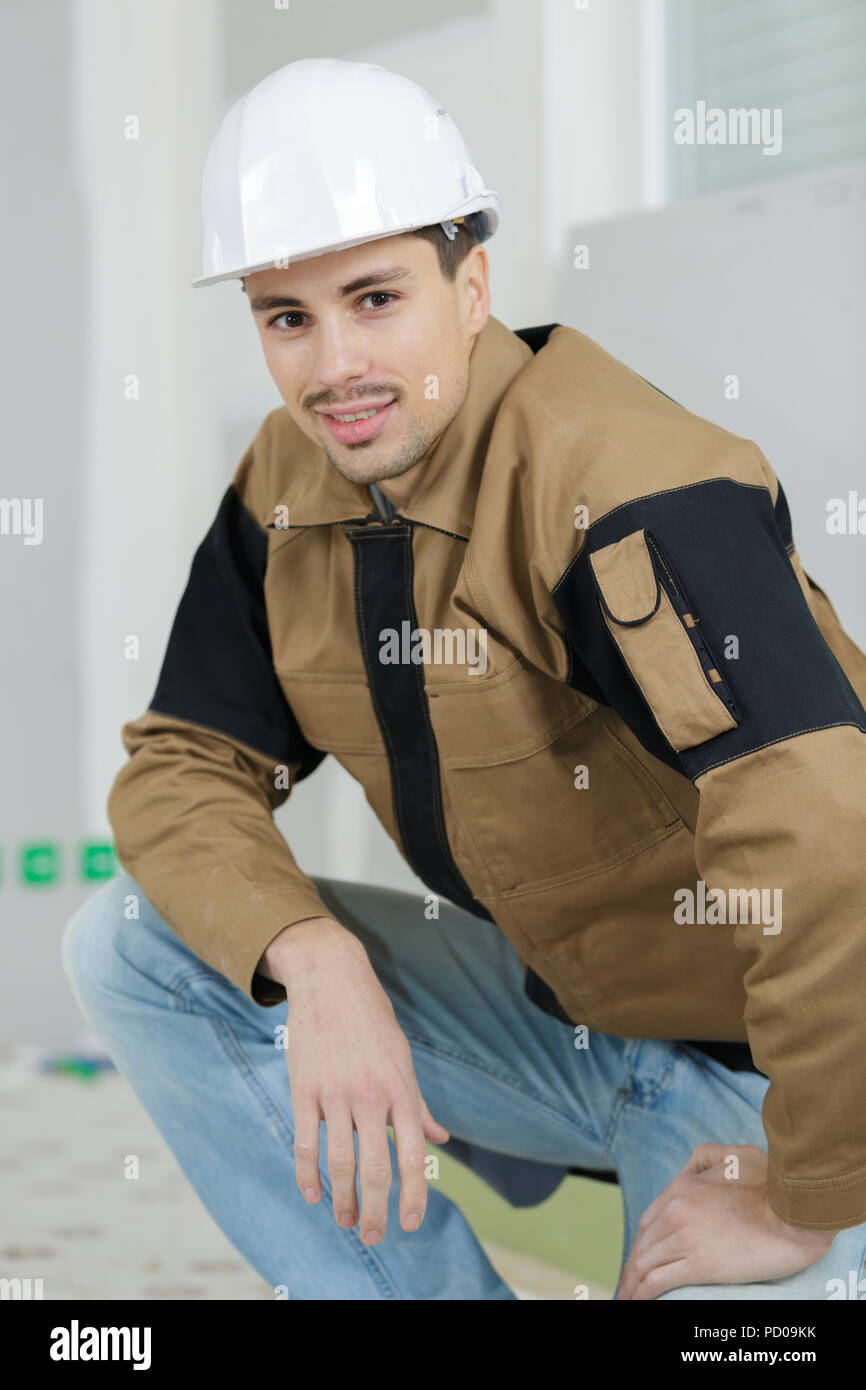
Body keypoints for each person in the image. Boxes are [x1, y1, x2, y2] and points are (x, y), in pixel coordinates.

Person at [61, 57, 866, 1301]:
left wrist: (810, 1189)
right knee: (134, 938)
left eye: (373, 297)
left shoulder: (623, 491)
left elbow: (832, 837)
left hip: (776, 1072)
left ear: (471, 284)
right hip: (570, 1030)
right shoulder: (286, 488)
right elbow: (181, 762)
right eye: (287, 316)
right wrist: (312, 961)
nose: (332, 367)